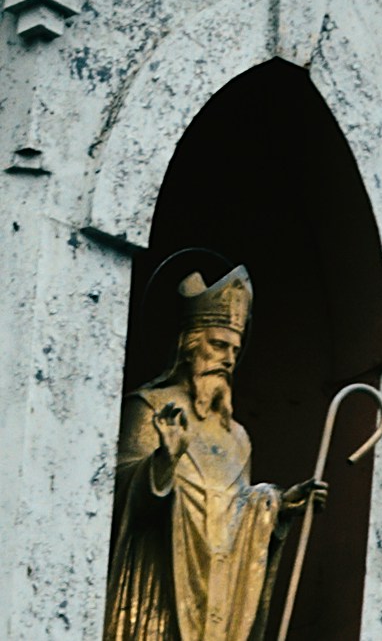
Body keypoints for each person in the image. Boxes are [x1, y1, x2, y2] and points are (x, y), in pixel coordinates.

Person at [102, 270, 312, 641]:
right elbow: (111, 495)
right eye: (218, 345)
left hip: (217, 602)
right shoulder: (150, 409)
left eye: (235, 349)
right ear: (188, 344)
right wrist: (161, 465)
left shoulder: (238, 438)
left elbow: (234, 515)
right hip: (155, 588)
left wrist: (275, 505)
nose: (228, 359)